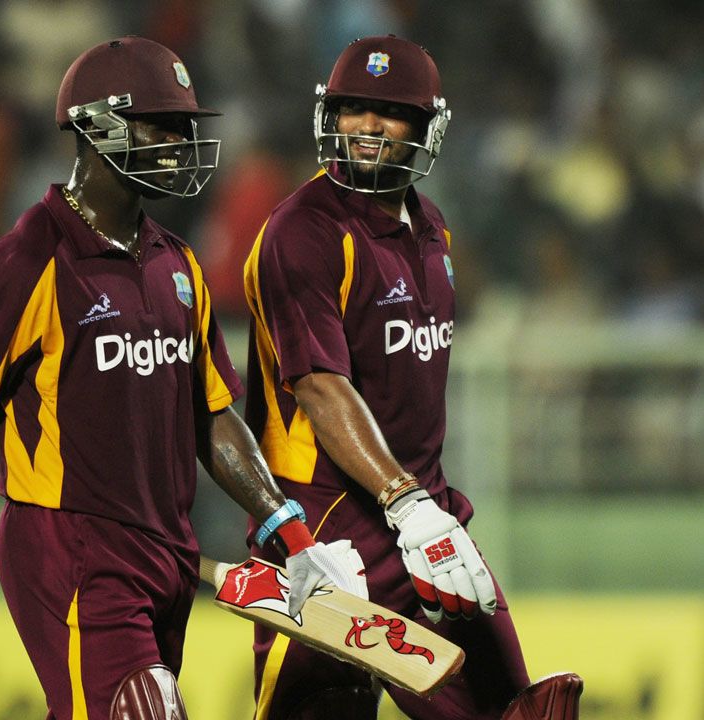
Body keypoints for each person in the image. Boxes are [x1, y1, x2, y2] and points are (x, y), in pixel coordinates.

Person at [0, 37, 367, 719]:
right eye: (162, 125)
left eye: (185, 126)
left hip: (168, 553)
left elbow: (215, 416)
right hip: (70, 548)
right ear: (96, 127)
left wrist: (290, 529)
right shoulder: (27, 259)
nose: (180, 141)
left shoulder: (178, 263)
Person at [241, 35, 583, 719]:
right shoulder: (301, 230)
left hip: (424, 521)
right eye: (354, 108)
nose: (367, 126)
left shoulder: (434, 230)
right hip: (328, 535)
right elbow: (317, 383)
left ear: (427, 126)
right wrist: (406, 504)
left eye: (390, 112)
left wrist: (422, 510)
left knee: (516, 710)